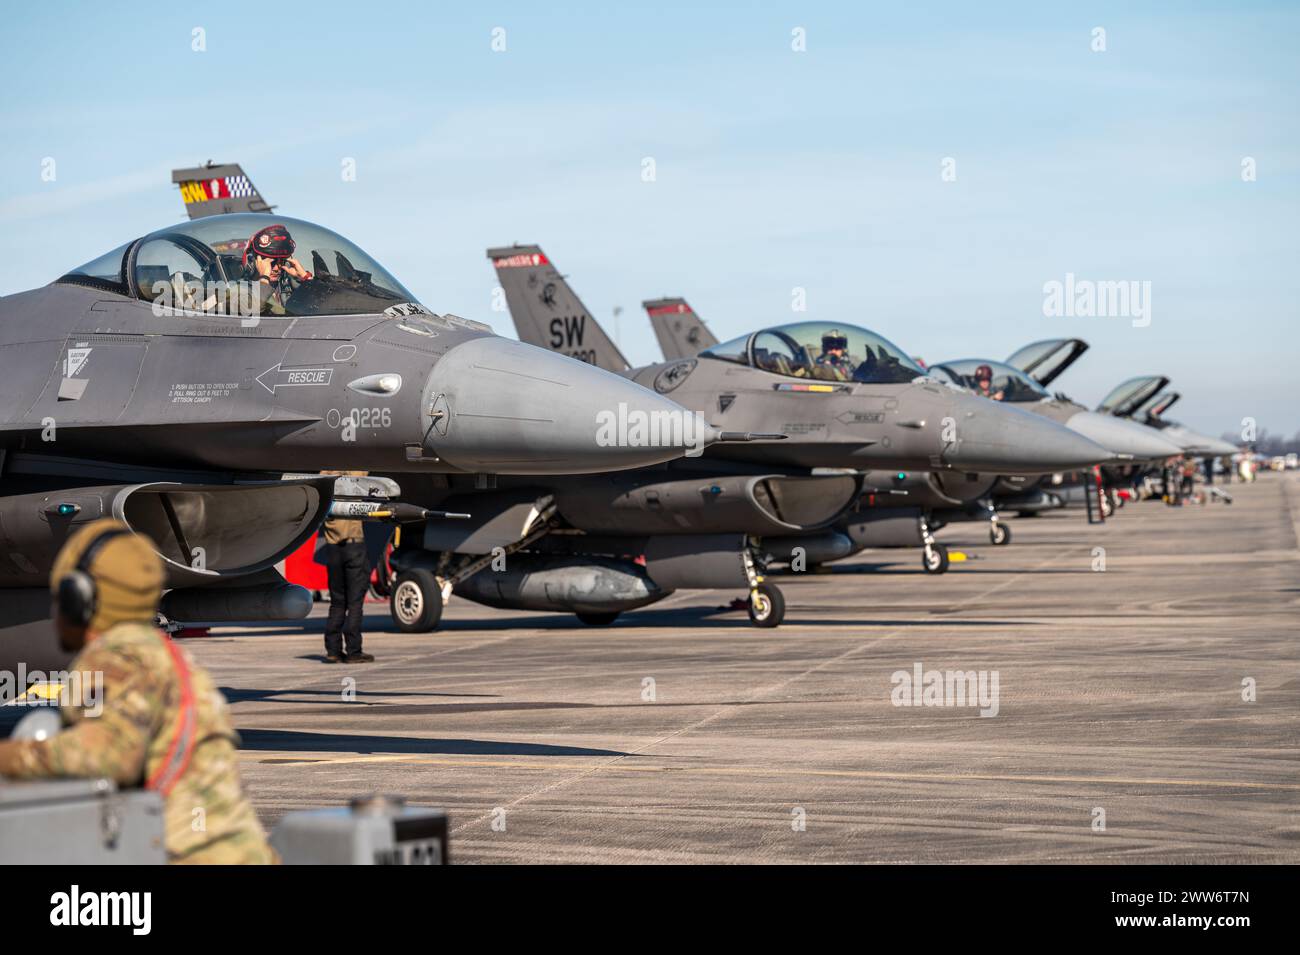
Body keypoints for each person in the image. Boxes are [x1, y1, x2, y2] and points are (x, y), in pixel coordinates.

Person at [0, 520, 276, 864]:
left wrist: (12, 756)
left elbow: (106, 757)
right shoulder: (163, 656)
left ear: (78, 599)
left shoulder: (117, 658)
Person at [319, 470, 374, 664]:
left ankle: (333, 650)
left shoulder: (324, 479)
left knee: (337, 602)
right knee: (355, 602)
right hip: (354, 547)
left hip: (332, 549)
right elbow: (366, 465)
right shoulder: (353, 476)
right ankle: (353, 651)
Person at [242, 223, 312, 315]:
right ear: (252, 262)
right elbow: (252, 308)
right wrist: (264, 277)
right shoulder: (238, 290)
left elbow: (322, 304)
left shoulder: (288, 288)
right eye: (272, 262)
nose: (277, 268)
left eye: (282, 261)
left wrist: (305, 277)